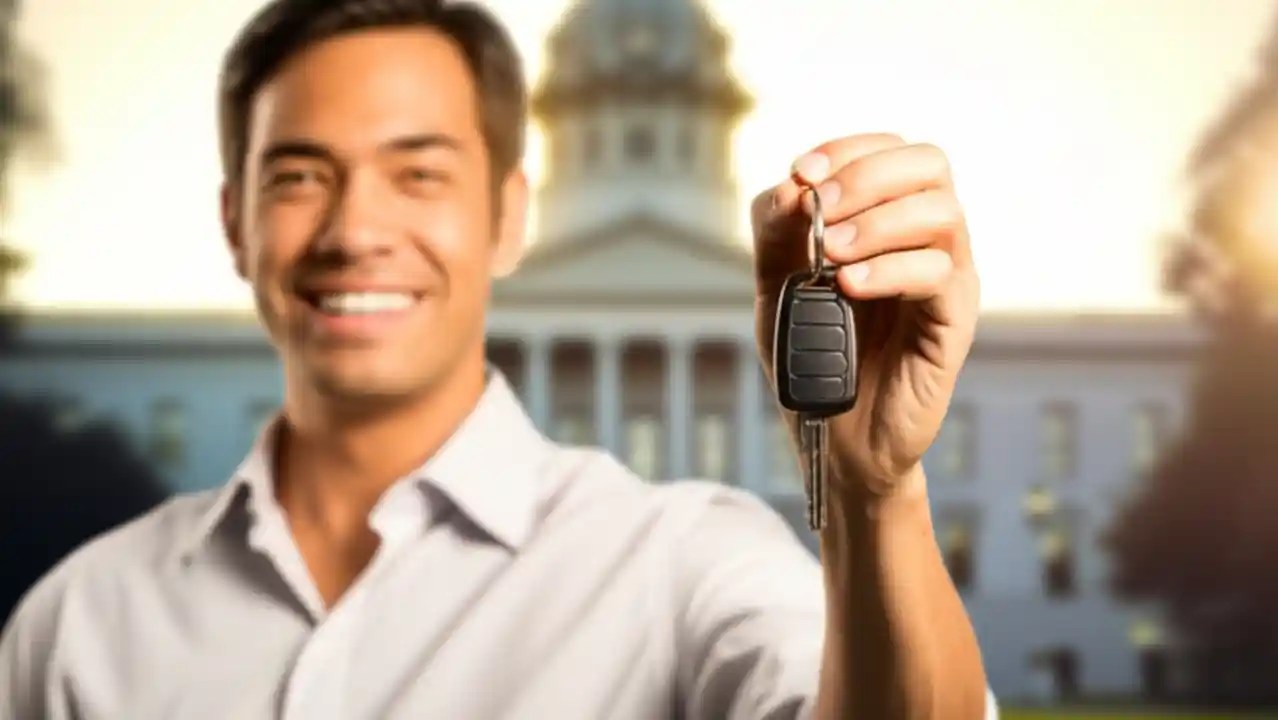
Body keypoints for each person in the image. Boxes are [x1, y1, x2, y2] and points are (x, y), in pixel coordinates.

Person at [0, 1, 996, 717]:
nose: (355, 231)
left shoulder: (691, 565)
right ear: (235, 221)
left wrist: (871, 495)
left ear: (509, 213)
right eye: (299, 176)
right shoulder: (79, 623)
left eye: (418, 173)